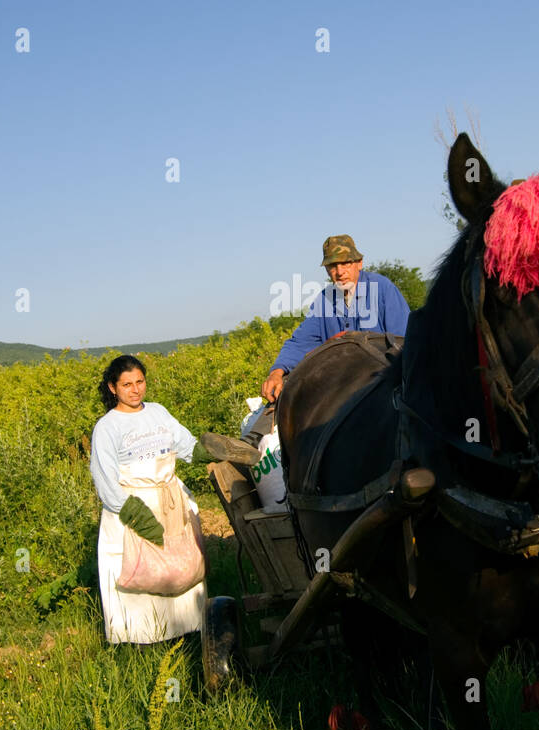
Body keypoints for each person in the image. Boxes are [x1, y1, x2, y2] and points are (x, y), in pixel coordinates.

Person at [89, 354, 257, 644]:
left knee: (182, 564)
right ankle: (141, 641)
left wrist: (209, 451)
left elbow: (185, 446)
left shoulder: (158, 412)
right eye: (127, 384)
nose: (135, 389)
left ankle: (189, 627)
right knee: (140, 571)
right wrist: (136, 515)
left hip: (169, 499)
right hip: (134, 504)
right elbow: (105, 480)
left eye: (140, 381)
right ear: (112, 388)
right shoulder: (107, 427)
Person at [259, 234, 410, 403]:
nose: (339, 272)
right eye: (332, 265)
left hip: (383, 383)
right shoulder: (325, 299)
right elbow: (301, 341)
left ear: (359, 263)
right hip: (339, 387)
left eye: (346, 263)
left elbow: (404, 340)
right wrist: (277, 372)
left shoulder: (383, 289)